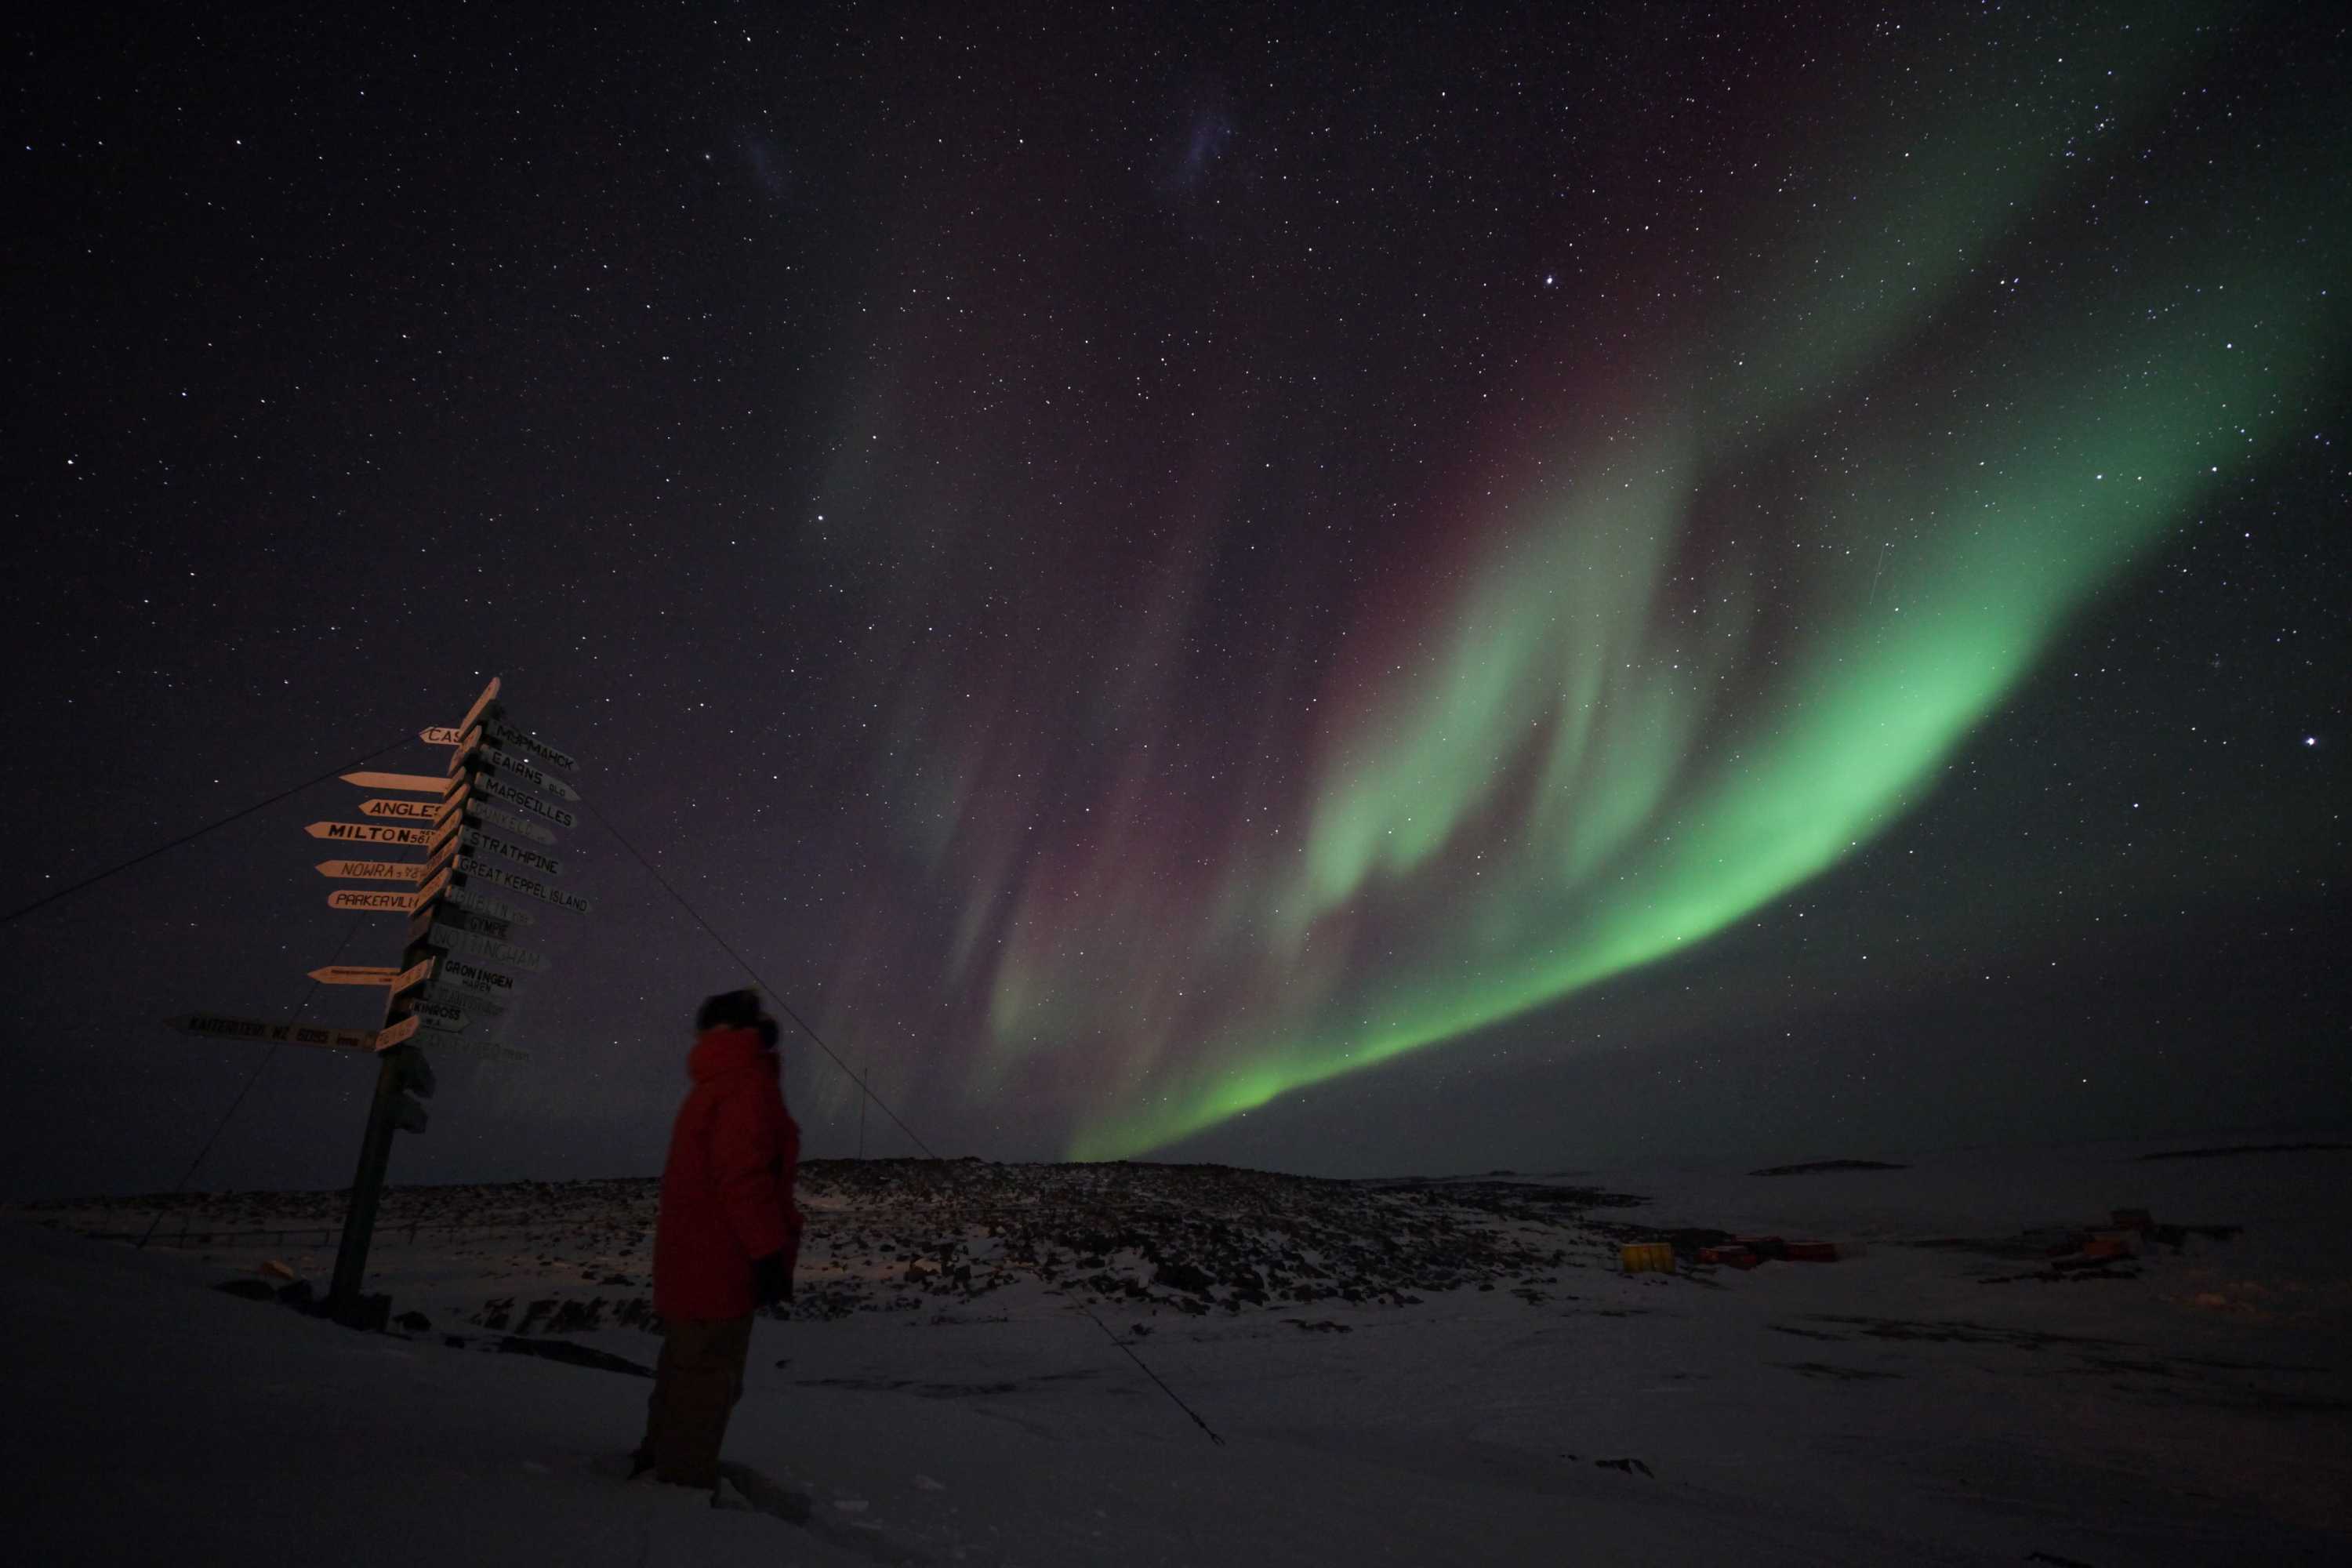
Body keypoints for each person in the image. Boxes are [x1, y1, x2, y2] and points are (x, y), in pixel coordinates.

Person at [633, 989, 804, 1492]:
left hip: (694, 1260)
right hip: (721, 1263)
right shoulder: (745, 1084)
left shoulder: (715, 1083)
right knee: (707, 1379)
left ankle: (659, 1468)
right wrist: (767, 1252)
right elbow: (743, 1178)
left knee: (686, 1373)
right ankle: (678, 1495)